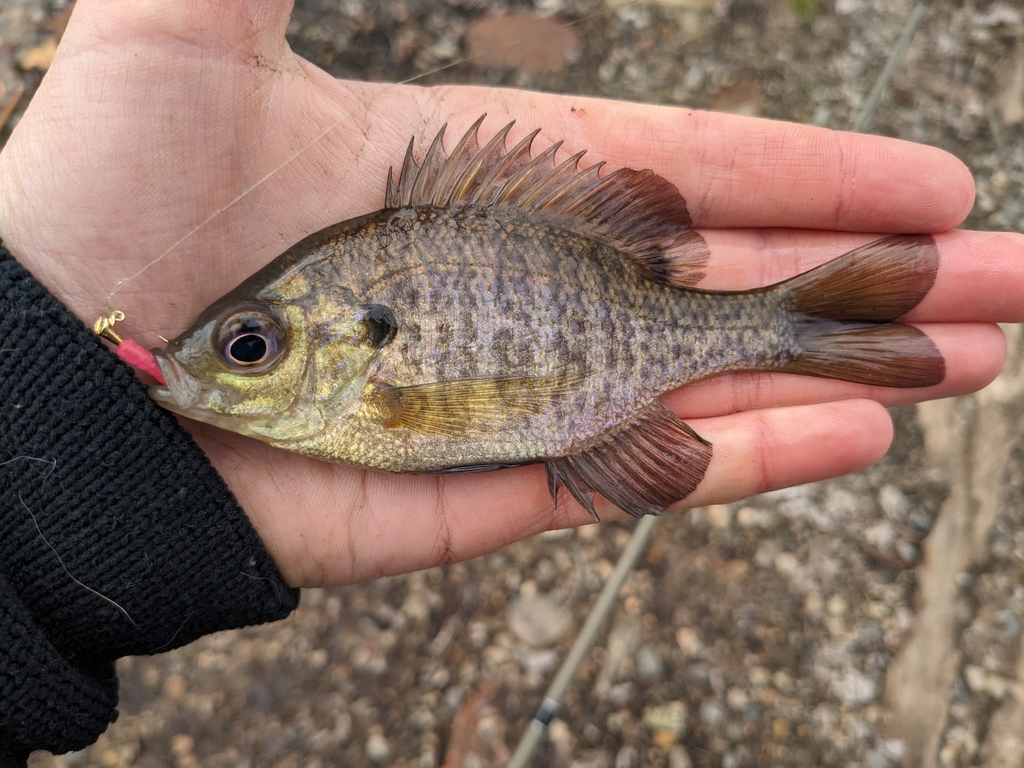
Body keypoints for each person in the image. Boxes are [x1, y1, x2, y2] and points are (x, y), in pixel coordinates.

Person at [1, 0, 1021, 762]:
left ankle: (785, 323)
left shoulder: (372, 369)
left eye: (250, 348)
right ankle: (787, 325)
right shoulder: (343, 351)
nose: (225, 367)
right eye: (246, 348)